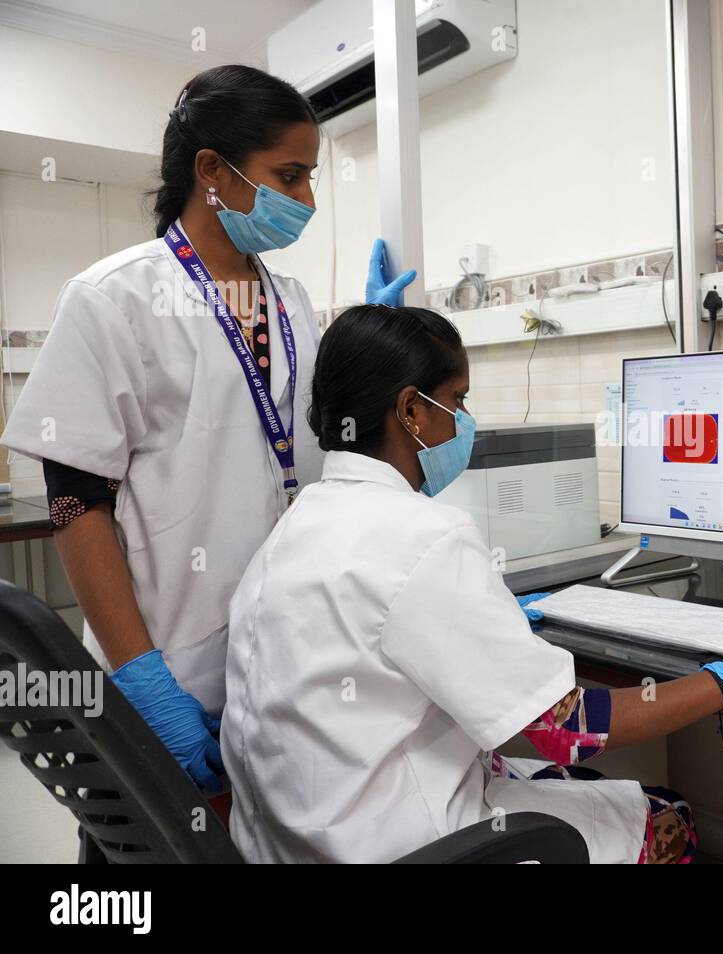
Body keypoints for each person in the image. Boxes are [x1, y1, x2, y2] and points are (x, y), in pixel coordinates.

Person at [221, 304, 723, 864]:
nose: (463, 422)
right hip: (410, 844)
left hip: (293, 841)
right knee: (670, 820)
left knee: (555, 779)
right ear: (411, 410)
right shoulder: (424, 535)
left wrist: (487, 625)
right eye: (457, 402)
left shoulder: (295, 526)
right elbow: (571, 732)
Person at [0, 64, 414, 798]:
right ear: (211, 170)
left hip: (288, 658)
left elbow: (309, 444)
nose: (306, 200)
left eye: (310, 178)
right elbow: (74, 503)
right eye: (289, 176)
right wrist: (144, 682)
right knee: (155, 854)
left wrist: (378, 345)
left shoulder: (290, 303)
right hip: (172, 659)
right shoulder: (113, 297)